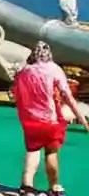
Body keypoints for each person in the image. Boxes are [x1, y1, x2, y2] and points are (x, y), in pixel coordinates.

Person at [10, 41, 88, 196]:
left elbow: (16, 95)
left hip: (29, 119)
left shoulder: (24, 72)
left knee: (32, 151)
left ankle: (26, 187)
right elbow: (67, 96)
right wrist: (84, 121)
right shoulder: (54, 69)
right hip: (51, 119)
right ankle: (54, 188)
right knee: (51, 152)